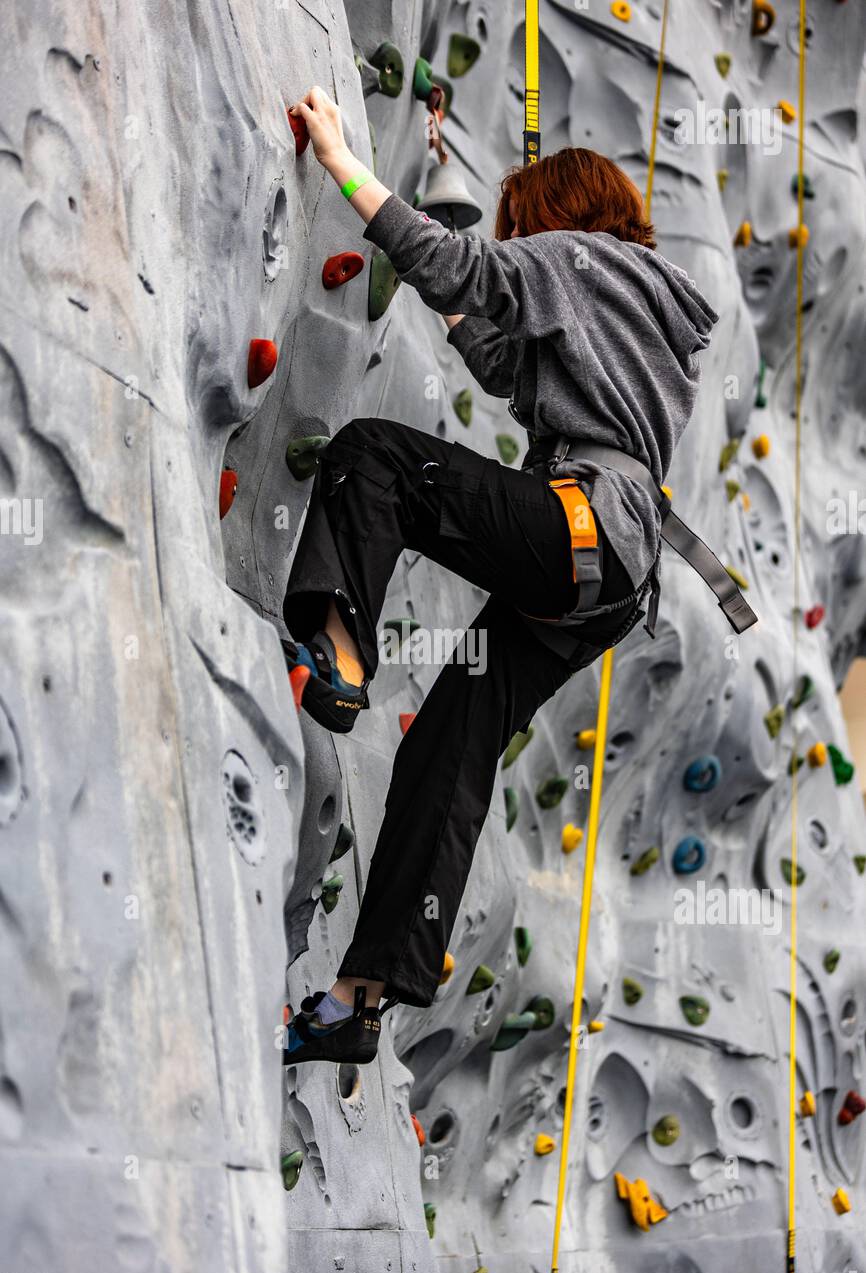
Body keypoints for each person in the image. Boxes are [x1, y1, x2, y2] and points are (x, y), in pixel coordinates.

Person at [280, 86, 719, 1065]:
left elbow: (453, 269)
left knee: (373, 460)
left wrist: (341, 155)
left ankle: (341, 659)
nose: (522, 247)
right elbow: (488, 349)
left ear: (555, 220)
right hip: (601, 582)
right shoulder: (636, 302)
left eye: (526, 228)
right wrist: (440, 171)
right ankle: (361, 999)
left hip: (581, 526)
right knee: (451, 742)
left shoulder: (575, 259)